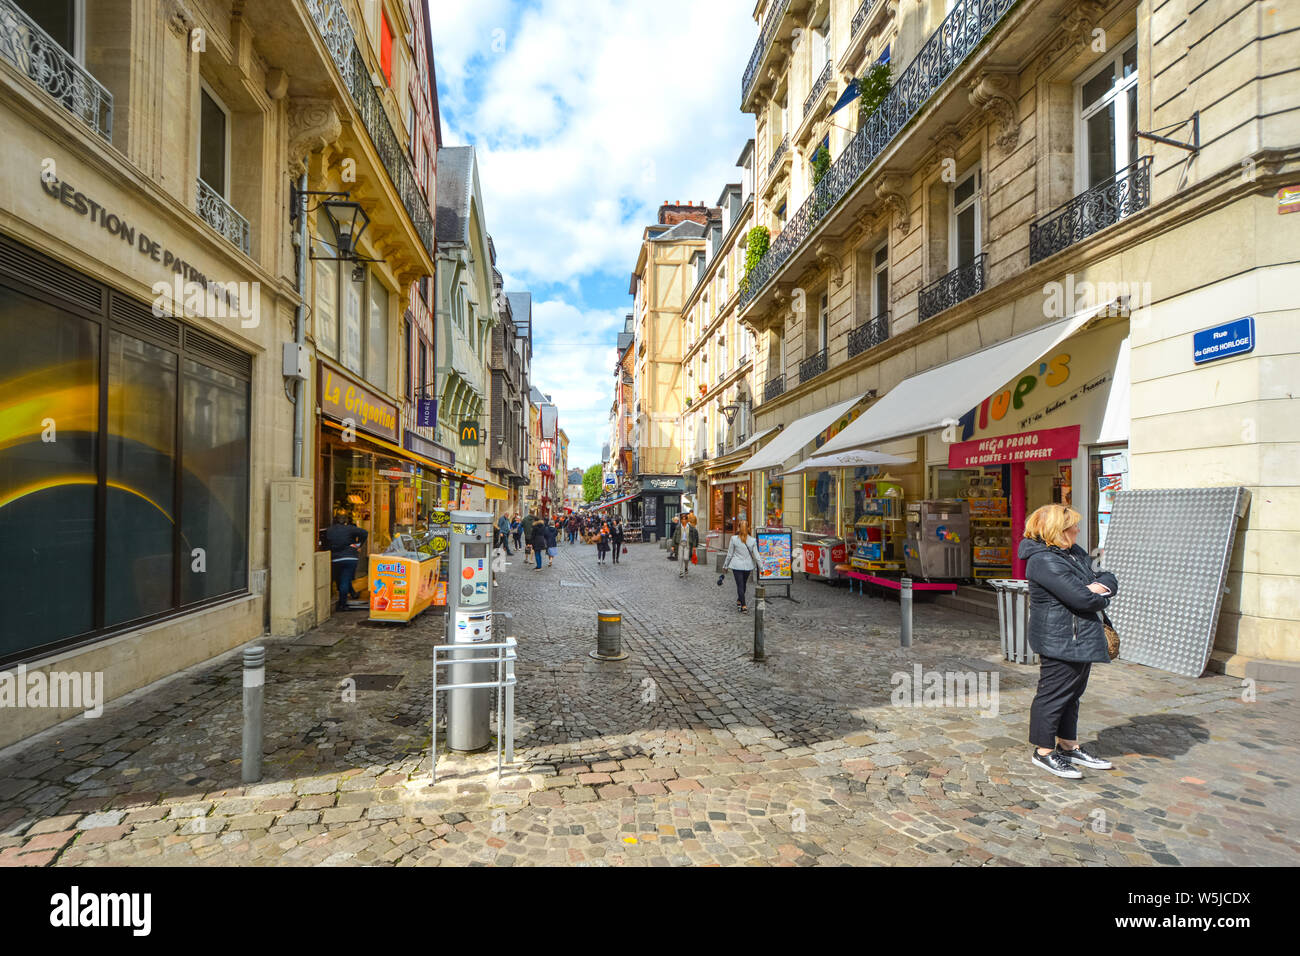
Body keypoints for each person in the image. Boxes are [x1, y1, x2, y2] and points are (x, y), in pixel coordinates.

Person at [1019, 503, 1120, 780]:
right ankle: (1043, 751)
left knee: (1072, 693)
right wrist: (1096, 594)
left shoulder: (1073, 553)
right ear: (1057, 530)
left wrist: (1097, 588)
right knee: (1053, 695)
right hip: (1060, 637)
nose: (1077, 529)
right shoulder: (1044, 560)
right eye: (1072, 526)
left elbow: (1108, 577)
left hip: (1080, 634)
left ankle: (1068, 745)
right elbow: (1082, 599)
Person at [325, 510, 368, 611]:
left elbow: (327, 542)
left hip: (335, 558)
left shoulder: (330, 530)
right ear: (346, 521)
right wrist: (358, 545)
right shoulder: (350, 528)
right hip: (350, 558)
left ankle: (353, 593)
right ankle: (342, 604)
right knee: (345, 580)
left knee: (341, 579)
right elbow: (364, 533)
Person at [724, 519, 762, 612]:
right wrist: (761, 568)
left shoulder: (734, 539)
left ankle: (740, 601)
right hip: (747, 566)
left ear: (739, 528)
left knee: (740, 585)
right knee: (743, 584)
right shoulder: (752, 540)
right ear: (748, 528)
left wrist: (725, 566)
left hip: (737, 566)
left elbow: (729, 554)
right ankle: (743, 604)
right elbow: (757, 556)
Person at [672, 513, 699, 578]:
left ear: (687, 520)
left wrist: (694, 546)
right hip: (680, 544)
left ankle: (686, 567)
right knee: (680, 558)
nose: (684, 521)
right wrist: (673, 545)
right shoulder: (678, 527)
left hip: (687, 544)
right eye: (682, 519)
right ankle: (681, 572)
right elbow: (674, 536)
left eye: (685, 519)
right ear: (681, 520)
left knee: (686, 558)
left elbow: (694, 537)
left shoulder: (691, 528)